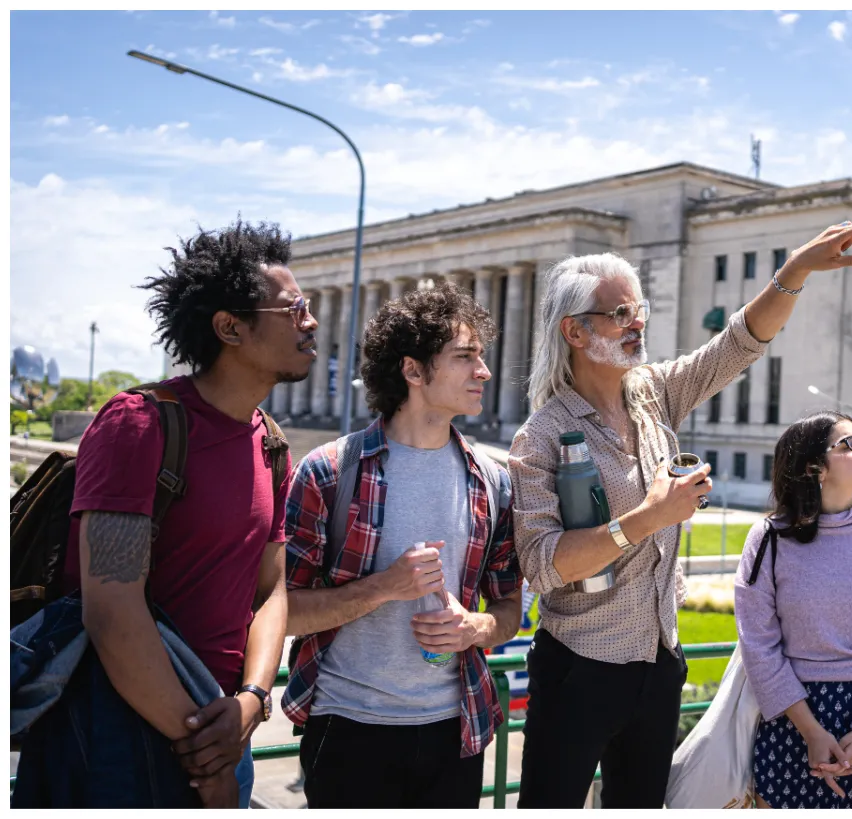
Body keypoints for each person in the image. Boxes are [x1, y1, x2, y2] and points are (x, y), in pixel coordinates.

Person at [509, 221, 852, 808]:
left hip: (659, 665)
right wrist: (649, 516)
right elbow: (543, 565)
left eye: (639, 308)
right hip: (579, 669)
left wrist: (795, 270)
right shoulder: (541, 436)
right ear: (574, 331)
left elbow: (738, 344)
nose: (637, 323)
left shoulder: (651, 394)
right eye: (620, 312)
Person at [13, 219, 315, 808]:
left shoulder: (270, 442)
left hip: (224, 727)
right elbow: (113, 610)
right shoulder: (139, 424)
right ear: (230, 326)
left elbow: (272, 590)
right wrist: (205, 750)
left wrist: (250, 703)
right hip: (118, 734)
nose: (310, 320)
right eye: (293, 308)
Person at [281, 283, 523, 809]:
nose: (483, 372)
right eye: (465, 358)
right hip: (347, 730)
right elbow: (280, 613)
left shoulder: (493, 482)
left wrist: (474, 628)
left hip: (455, 733)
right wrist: (384, 587)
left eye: (480, 357)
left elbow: (508, 610)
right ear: (413, 371)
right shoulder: (327, 472)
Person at [735, 412, 852, 808]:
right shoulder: (768, 541)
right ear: (814, 468)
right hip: (793, 728)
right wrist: (812, 733)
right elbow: (759, 646)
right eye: (850, 444)